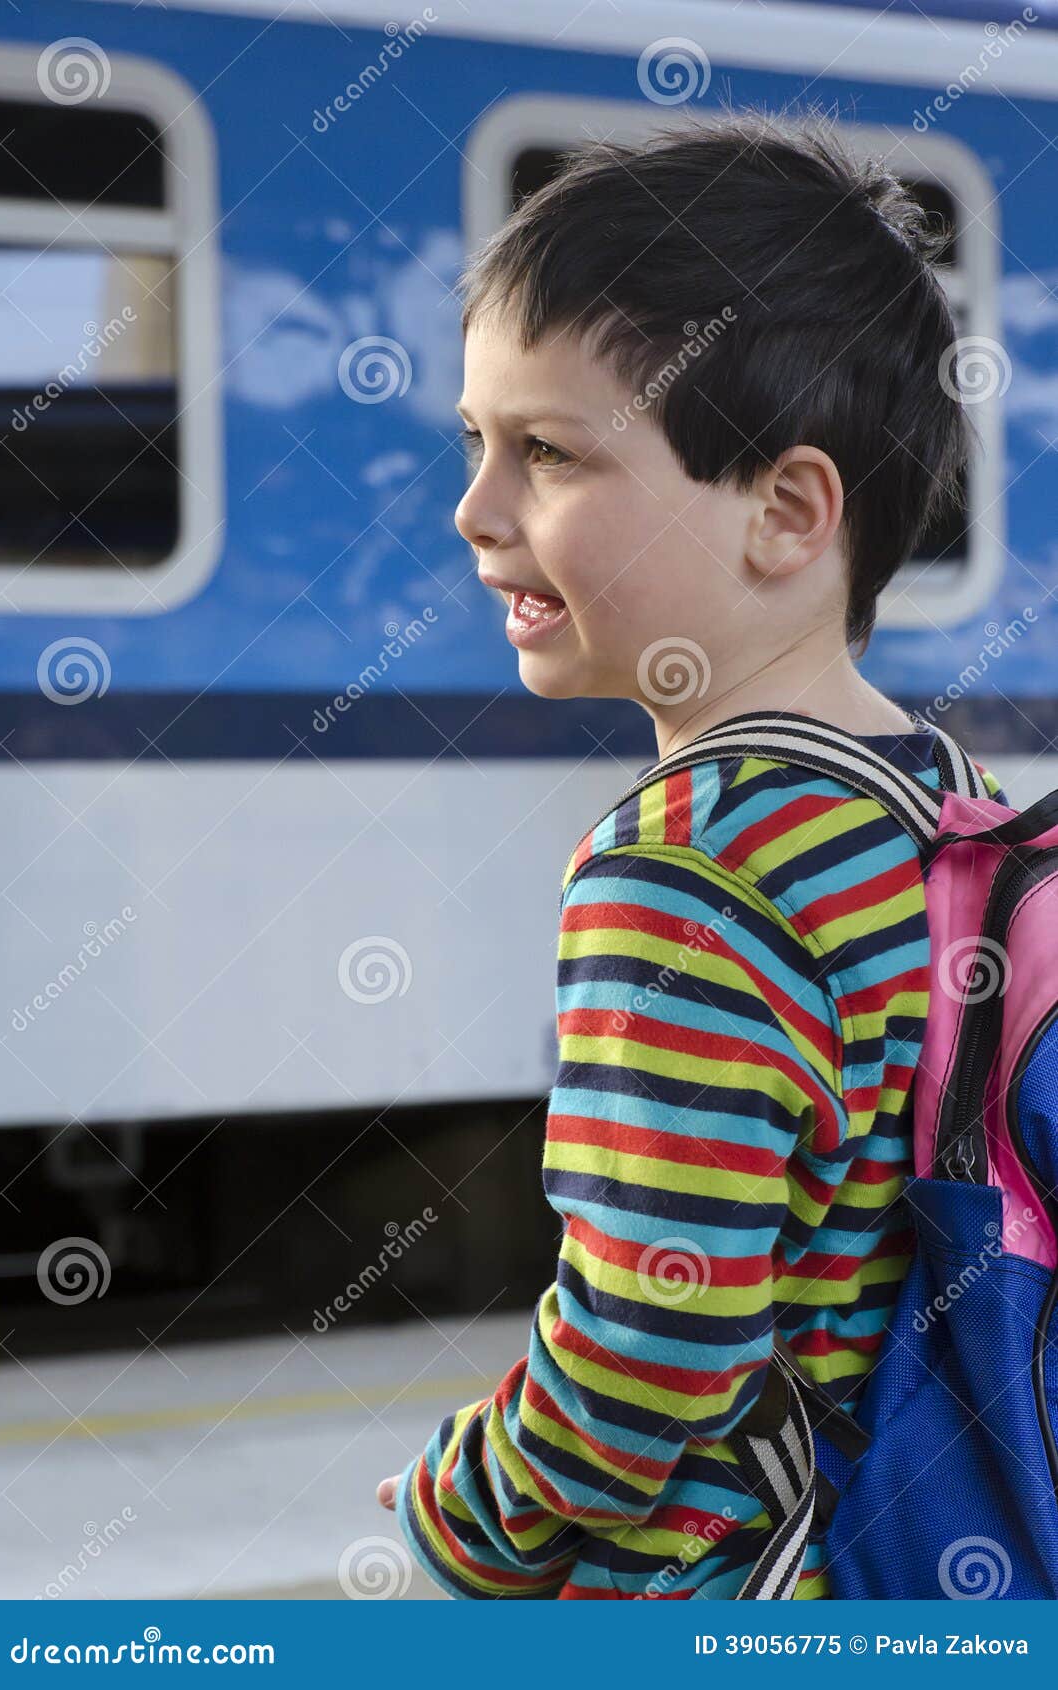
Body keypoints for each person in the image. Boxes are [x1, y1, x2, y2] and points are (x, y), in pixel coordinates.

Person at [375, 103, 1006, 1599]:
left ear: (786, 511)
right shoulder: (946, 798)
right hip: (915, 1544)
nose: (476, 514)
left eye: (547, 455)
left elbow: (648, 1347)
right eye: (476, 444)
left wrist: (460, 1512)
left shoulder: (691, 868)